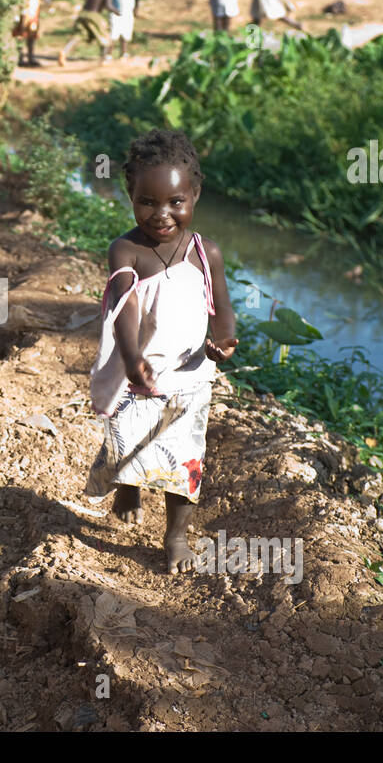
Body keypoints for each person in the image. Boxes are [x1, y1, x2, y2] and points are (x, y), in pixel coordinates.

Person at [86, 129, 238, 574]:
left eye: (175, 201)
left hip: (190, 377)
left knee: (184, 459)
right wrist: (133, 359)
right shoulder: (126, 250)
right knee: (127, 441)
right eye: (146, 202)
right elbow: (127, 307)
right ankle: (128, 488)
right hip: (137, 370)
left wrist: (224, 342)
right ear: (130, 196)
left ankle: (175, 537)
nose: (161, 214)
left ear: (195, 194)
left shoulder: (205, 253)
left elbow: (223, 310)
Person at [57, 0, 118, 67]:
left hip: (83, 13)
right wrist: (117, 11)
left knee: (79, 35)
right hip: (94, 16)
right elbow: (108, 5)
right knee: (105, 37)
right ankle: (104, 59)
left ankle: (64, 51)